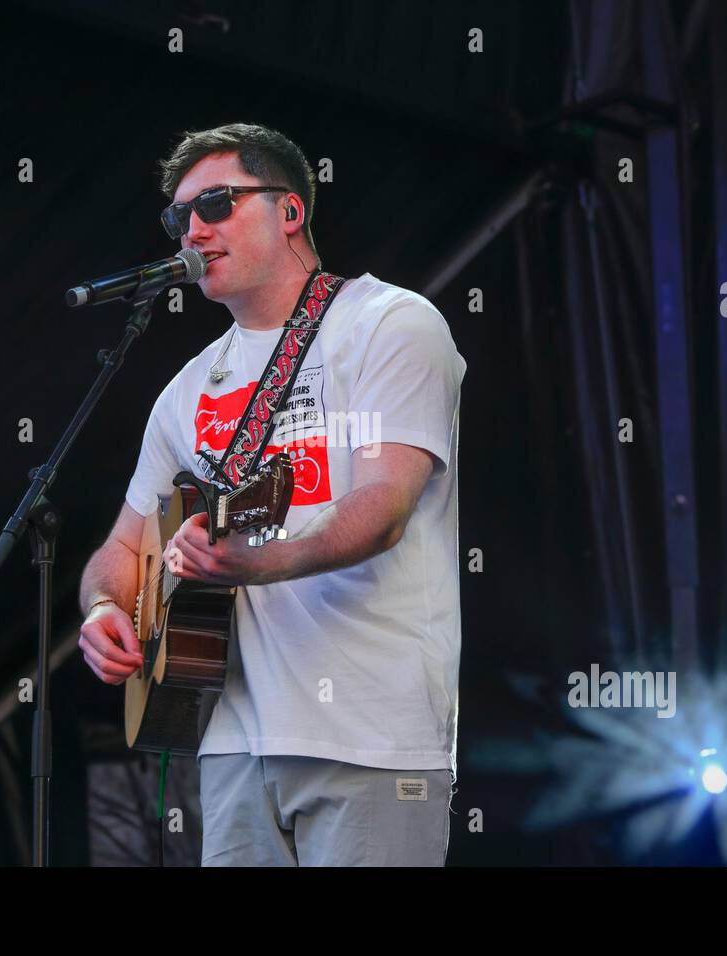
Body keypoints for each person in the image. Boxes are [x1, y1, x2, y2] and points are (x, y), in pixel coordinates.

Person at [77, 122, 466, 866]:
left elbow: (383, 507)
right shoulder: (187, 388)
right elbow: (124, 547)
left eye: (217, 203)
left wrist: (259, 562)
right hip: (227, 743)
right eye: (178, 216)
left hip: (368, 730)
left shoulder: (390, 324)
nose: (192, 229)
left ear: (289, 211)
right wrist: (103, 607)